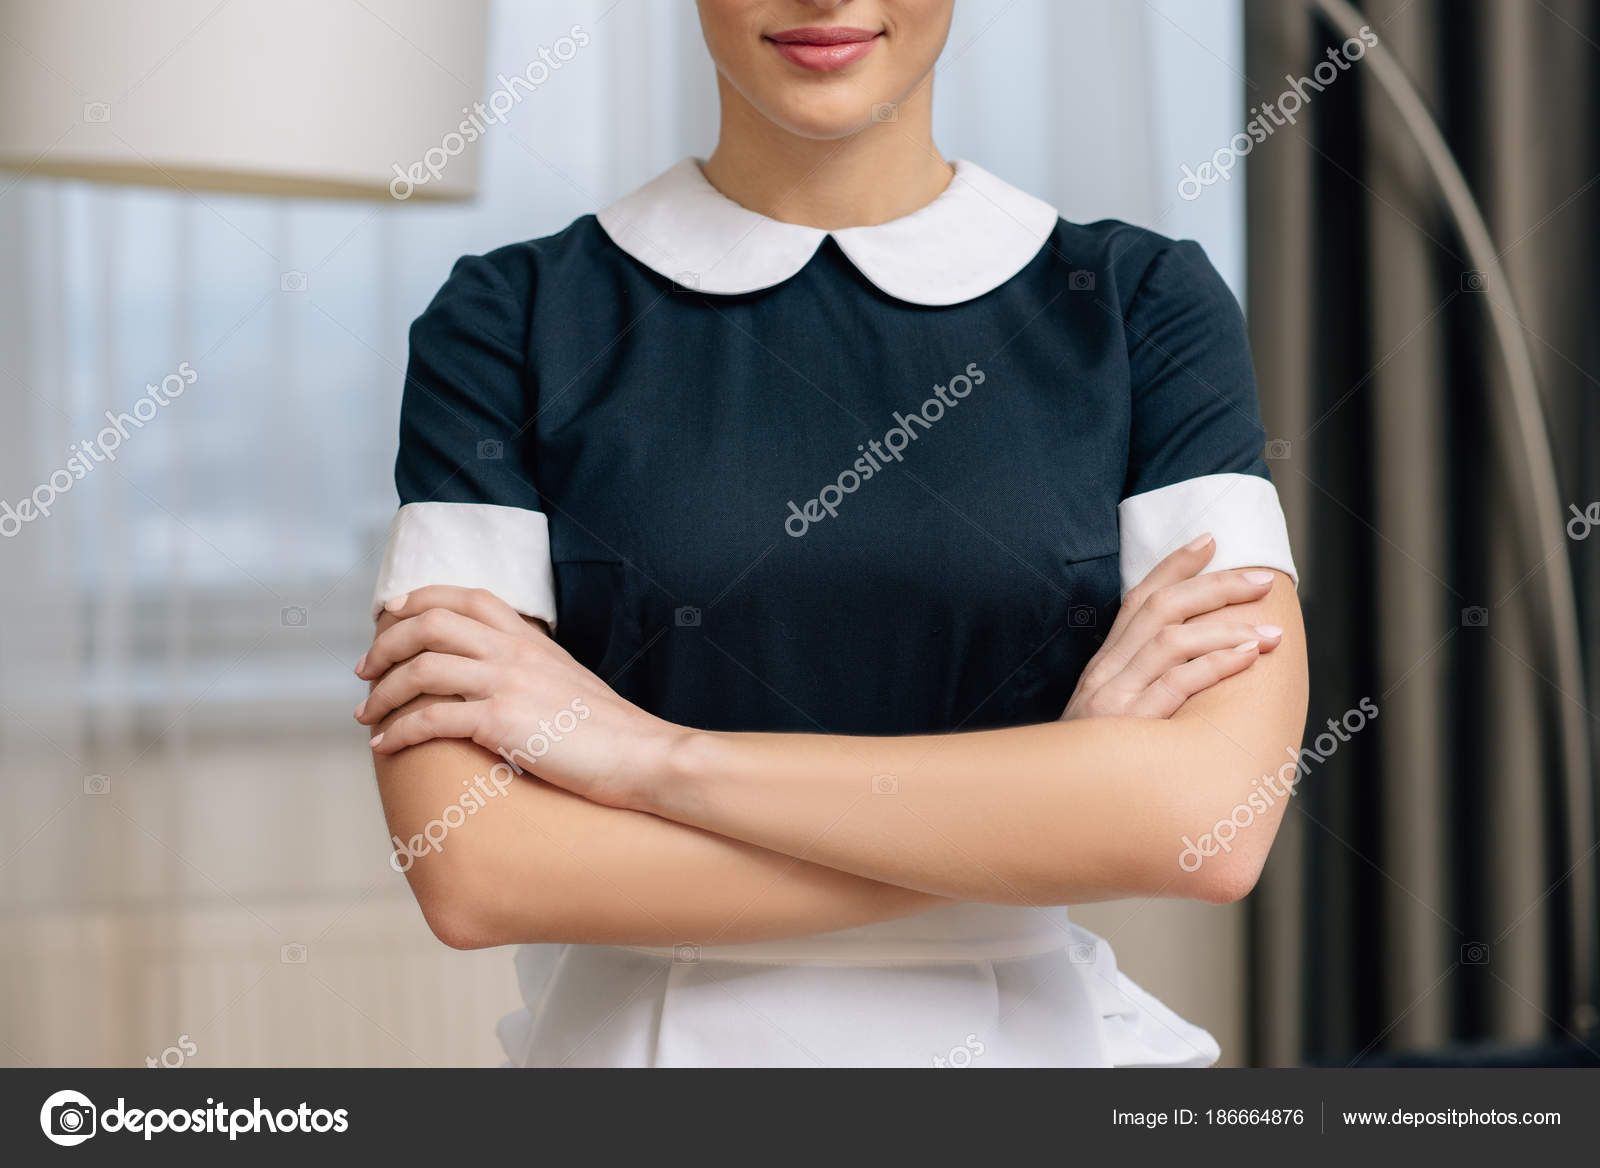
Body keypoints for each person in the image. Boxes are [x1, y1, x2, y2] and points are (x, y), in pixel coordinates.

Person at [356, 0, 1307, 1067]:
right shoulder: (509, 320)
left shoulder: (1141, 307)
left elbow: (1213, 826)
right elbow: (478, 874)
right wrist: (1056, 796)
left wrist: (646, 756)